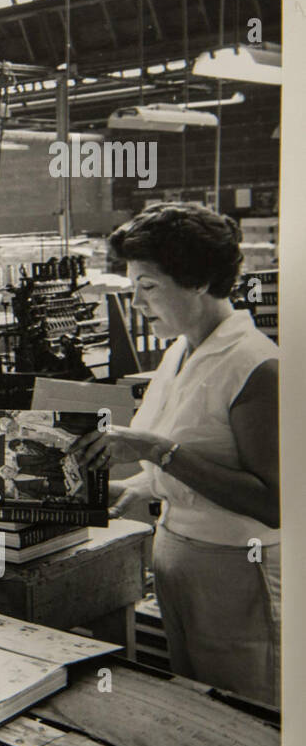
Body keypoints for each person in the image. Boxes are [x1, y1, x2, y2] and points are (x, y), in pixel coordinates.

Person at [72, 204, 279, 705]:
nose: (136, 302)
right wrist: (133, 486)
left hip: (237, 572)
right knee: (198, 707)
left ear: (199, 281)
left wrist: (157, 451)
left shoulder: (256, 367)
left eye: (149, 286)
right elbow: (196, 467)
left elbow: (278, 502)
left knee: (245, 718)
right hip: (177, 561)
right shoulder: (180, 351)